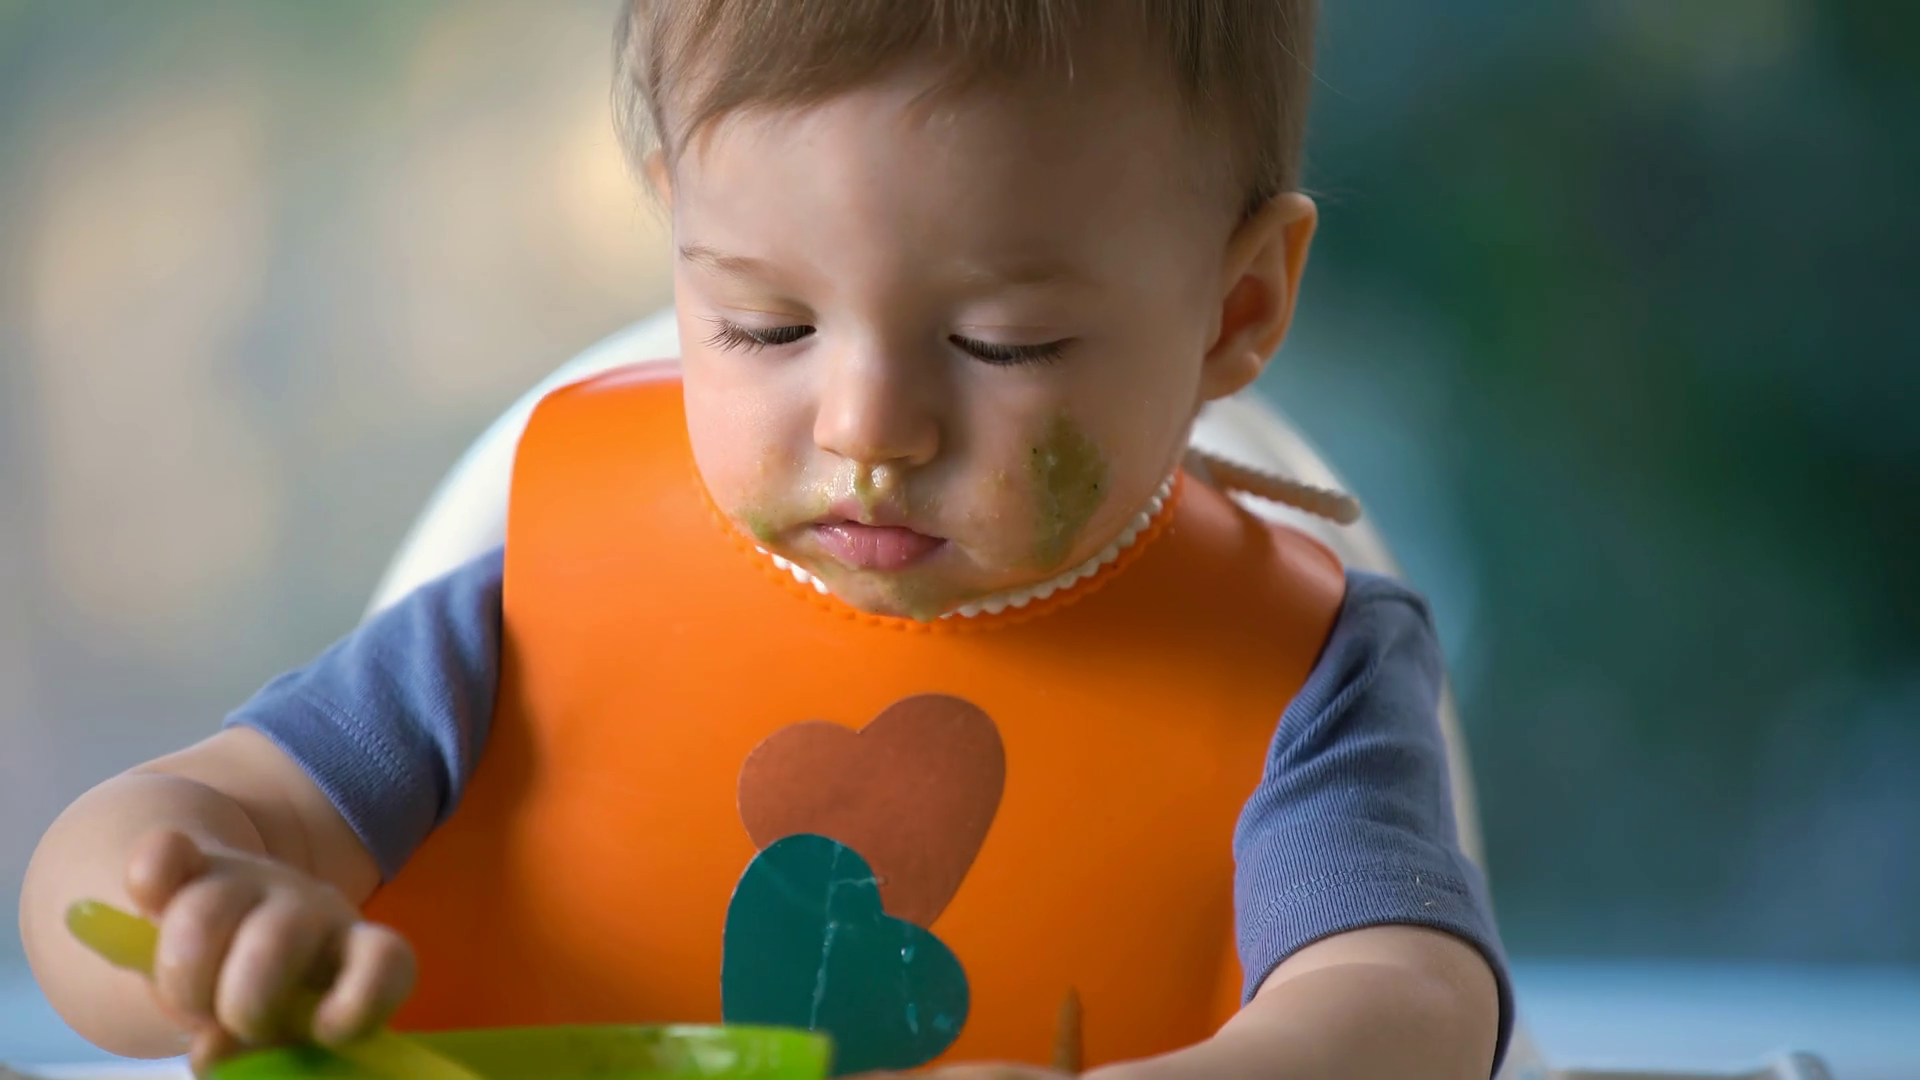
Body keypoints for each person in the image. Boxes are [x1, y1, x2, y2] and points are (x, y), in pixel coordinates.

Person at [20, 2, 1512, 1077]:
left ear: (1237, 311)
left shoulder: (1304, 676)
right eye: (767, 324)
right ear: (678, 236)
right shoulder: (538, 616)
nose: (869, 425)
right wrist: (195, 925)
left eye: (1006, 343)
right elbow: (112, 868)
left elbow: (1409, 1001)